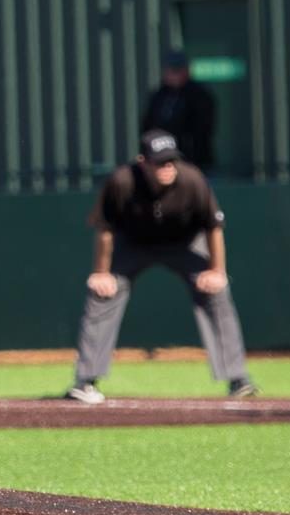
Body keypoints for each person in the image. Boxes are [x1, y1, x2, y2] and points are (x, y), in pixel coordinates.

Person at [64, 129, 256, 404]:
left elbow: (214, 227)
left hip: (185, 244)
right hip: (134, 244)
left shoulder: (192, 179)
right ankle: (86, 380)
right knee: (103, 292)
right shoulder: (122, 181)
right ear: (142, 161)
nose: (167, 168)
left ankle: (238, 378)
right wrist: (101, 272)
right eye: (160, 162)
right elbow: (105, 229)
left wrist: (217, 270)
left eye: (171, 161)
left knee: (215, 291)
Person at [141, 50, 217, 172]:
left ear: (186, 71)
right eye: (171, 70)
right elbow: (148, 126)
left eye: (178, 70)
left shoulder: (199, 95)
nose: (174, 75)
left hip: (194, 161)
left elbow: (202, 130)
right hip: (160, 158)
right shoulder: (159, 96)